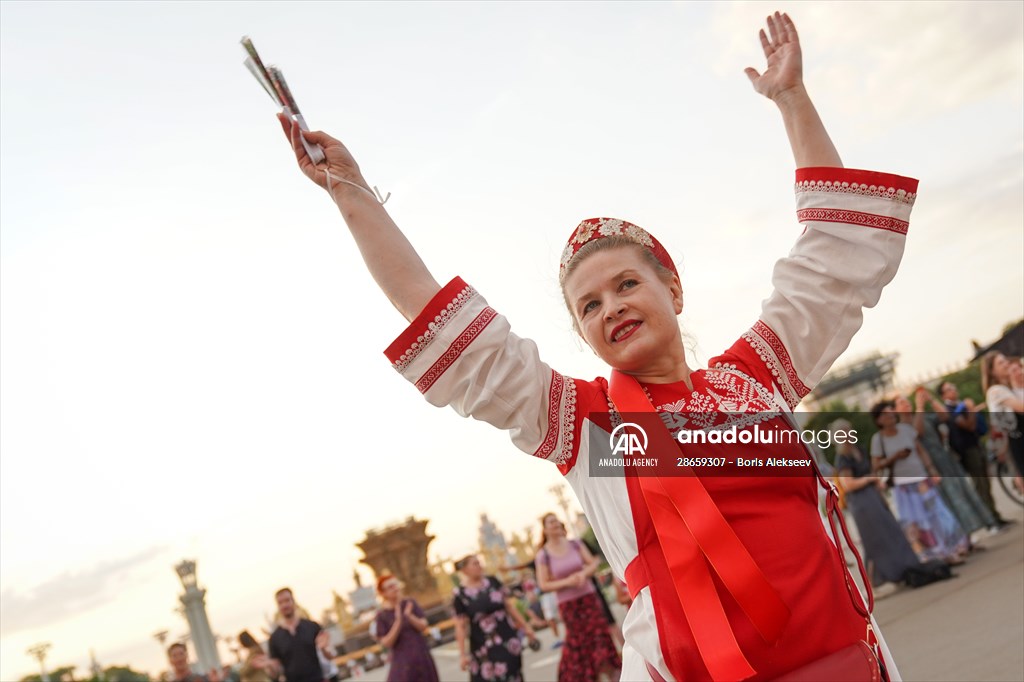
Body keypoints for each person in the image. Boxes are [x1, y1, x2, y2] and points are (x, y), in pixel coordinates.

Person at [272, 12, 916, 680]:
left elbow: (831, 263)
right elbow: (444, 322)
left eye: (626, 284)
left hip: (850, 662)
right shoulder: (587, 426)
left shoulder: (755, 378)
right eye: (589, 305)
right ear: (583, 333)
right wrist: (350, 192)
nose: (612, 307)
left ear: (674, 290)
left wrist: (792, 100)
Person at [869, 401, 968, 564]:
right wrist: (894, 457)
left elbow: (921, 451)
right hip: (903, 486)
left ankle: (951, 551)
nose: (891, 415)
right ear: (879, 420)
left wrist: (931, 470)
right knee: (915, 523)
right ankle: (931, 557)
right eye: (886, 414)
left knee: (937, 516)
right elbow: (876, 465)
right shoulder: (878, 439)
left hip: (921, 480)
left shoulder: (906, 430)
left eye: (891, 411)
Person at [832, 419, 923, 589]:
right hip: (861, 501)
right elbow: (847, 484)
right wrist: (869, 479)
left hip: (873, 496)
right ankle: (874, 581)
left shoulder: (858, 449)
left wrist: (877, 486)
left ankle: (901, 571)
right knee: (874, 541)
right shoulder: (843, 457)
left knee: (891, 532)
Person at [535, 513, 621, 681]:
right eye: (551, 522)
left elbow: (593, 563)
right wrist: (567, 582)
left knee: (600, 638)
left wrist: (583, 574)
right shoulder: (543, 555)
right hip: (569, 605)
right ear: (545, 529)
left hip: (588, 598)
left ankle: (613, 674)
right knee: (581, 644)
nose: (555, 523)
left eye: (556, 520)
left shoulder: (575, 544)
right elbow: (543, 584)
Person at [910, 386, 997, 537]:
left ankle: (986, 522)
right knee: (953, 498)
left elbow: (945, 417)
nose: (954, 391)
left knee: (966, 493)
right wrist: (919, 407)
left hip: (947, 459)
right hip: (934, 465)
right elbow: (918, 432)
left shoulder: (927, 416)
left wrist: (931, 400)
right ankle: (966, 534)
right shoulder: (910, 422)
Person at [453, 554, 539, 682]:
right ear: (465, 570)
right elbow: (460, 626)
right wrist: (462, 655)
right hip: (482, 644)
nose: (479, 566)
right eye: (475, 564)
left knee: (512, 673)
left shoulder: (492, 582)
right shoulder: (460, 594)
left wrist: (526, 627)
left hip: (506, 637)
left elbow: (509, 607)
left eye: (479, 563)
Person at [940, 380, 1012, 527]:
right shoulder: (949, 410)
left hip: (975, 446)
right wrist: (971, 409)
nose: (953, 390)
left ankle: (994, 516)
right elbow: (969, 426)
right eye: (949, 389)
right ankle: (990, 520)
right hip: (968, 451)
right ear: (943, 395)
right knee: (981, 485)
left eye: (953, 387)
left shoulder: (959, 405)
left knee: (986, 483)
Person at [373, 574, 439, 682]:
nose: (395, 588)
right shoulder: (382, 615)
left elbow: (424, 626)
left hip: (421, 654)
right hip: (401, 661)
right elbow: (386, 642)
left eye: (395, 584)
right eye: (390, 587)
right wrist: (398, 621)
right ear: (383, 593)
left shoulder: (410, 603)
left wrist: (409, 616)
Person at [267, 587, 332, 682]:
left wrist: (323, 648)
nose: (284, 605)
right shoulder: (274, 638)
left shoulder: (312, 627)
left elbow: (330, 657)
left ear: (294, 601)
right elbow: (275, 672)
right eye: (280, 603)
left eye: (287, 600)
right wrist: (269, 666)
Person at [983, 351, 1024, 484]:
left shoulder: (1007, 388)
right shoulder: (996, 391)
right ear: (992, 371)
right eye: (1000, 363)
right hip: (1016, 441)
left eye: (1005, 360)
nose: (1006, 364)